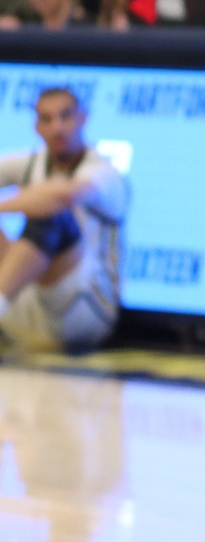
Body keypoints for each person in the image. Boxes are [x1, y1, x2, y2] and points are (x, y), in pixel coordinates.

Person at [0, 87, 128, 354]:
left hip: (85, 308)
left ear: (83, 118)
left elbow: (63, 195)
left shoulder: (104, 172)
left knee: (52, 214)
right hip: (28, 304)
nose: (57, 127)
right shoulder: (30, 161)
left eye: (65, 116)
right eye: (47, 119)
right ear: (36, 126)